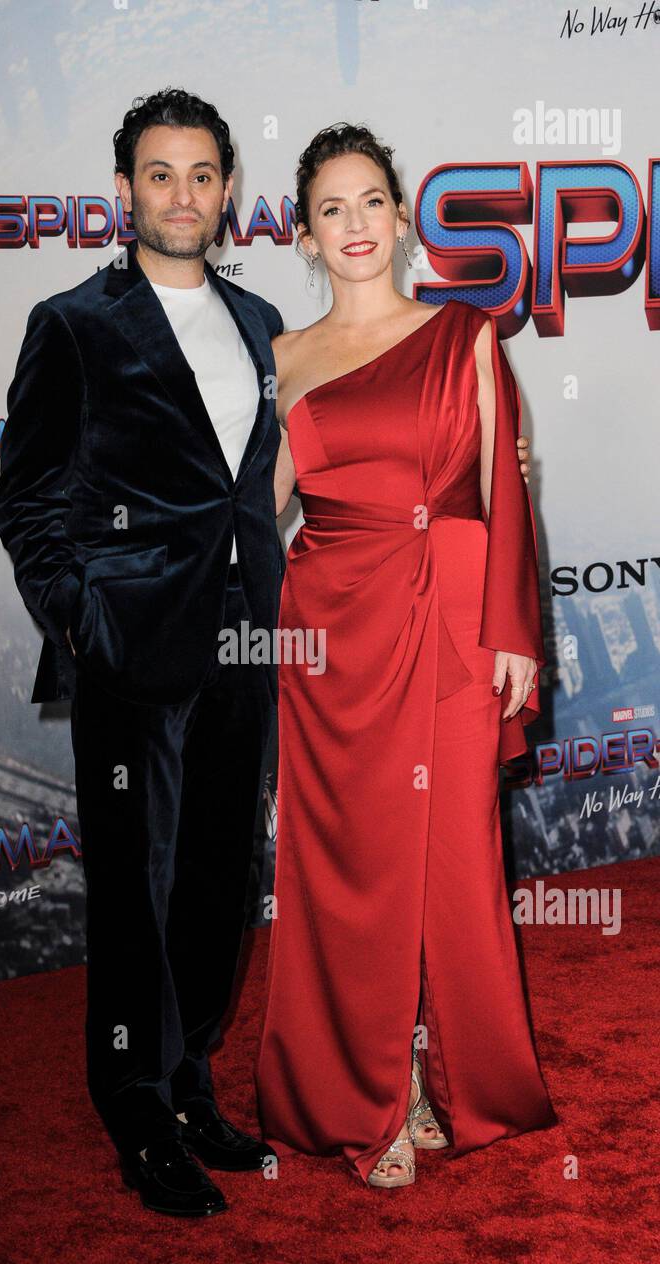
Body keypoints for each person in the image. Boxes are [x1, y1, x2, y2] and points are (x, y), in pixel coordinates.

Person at [0, 88, 287, 1219]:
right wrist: (79, 615)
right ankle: (131, 1101)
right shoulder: (74, 322)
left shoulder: (262, 322)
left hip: (241, 635)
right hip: (128, 643)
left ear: (225, 190)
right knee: (136, 882)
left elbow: (256, 489)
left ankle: (188, 1078)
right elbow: (28, 500)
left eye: (200, 174)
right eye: (158, 175)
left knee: (219, 871)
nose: (181, 195)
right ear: (123, 192)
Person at [255, 122, 558, 1189]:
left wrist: (512, 631)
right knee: (348, 873)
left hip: (450, 621)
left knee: (453, 860)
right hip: (333, 633)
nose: (352, 225)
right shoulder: (281, 359)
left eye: (369, 201)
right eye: (329, 208)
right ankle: (366, 1100)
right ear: (300, 233)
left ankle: (445, 1078)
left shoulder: (466, 332)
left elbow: (502, 488)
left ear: (398, 216)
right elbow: (257, 518)